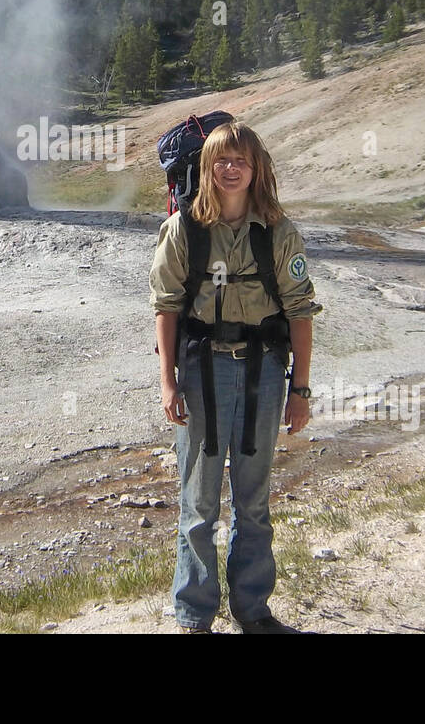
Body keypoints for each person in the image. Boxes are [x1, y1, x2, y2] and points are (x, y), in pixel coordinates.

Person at [149, 119, 321, 634]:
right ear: (207, 166)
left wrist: (301, 390)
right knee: (198, 503)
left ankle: (253, 610)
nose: (230, 168)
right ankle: (194, 616)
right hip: (202, 372)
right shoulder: (184, 230)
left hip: (266, 374)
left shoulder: (279, 233)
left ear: (256, 169)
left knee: (253, 500)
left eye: (240, 160)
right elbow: (165, 305)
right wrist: (167, 382)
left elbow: (300, 310)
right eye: (221, 159)